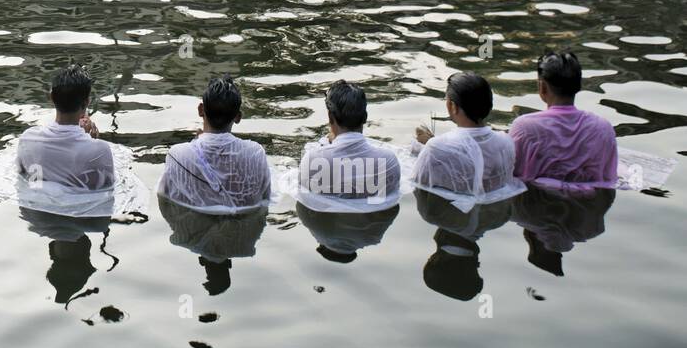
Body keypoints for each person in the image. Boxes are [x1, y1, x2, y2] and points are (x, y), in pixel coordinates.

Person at [157, 75, 271, 213]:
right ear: (238, 117)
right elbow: (265, 198)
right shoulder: (256, 153)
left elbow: (163, 196)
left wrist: (193, 147)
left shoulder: (178, 154)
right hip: (245, 228)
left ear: (200, 110)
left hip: (194, 229)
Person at [413, 72, 525, 211]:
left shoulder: (436, 147)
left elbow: (418, 184)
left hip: (450, 216)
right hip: (496, 215)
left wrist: (428, 147)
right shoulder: (506, 141)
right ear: (489, 105)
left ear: (452, 106)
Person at [509, 52, 618, 191]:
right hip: (587, 208)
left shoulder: (525, 128)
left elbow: (509, 176)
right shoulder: (603, 129)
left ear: (542, 87)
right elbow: (609, 180)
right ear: (578, 86)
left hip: (536, 206)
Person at [296, 81, 401, 210]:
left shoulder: (312, 160)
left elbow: (303, 206)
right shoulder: (389, 161)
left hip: (327, 229)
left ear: (330, 117)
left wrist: (323, 148)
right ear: (365, 117)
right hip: (371, 229)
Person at [16, 65, 112, 192]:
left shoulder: (28, 138)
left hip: (33, 207)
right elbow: (105, 190)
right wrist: (93, 143)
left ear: (51, 97)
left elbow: (22, 177)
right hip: (79, 210)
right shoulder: (100, 149)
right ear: (87, 102)